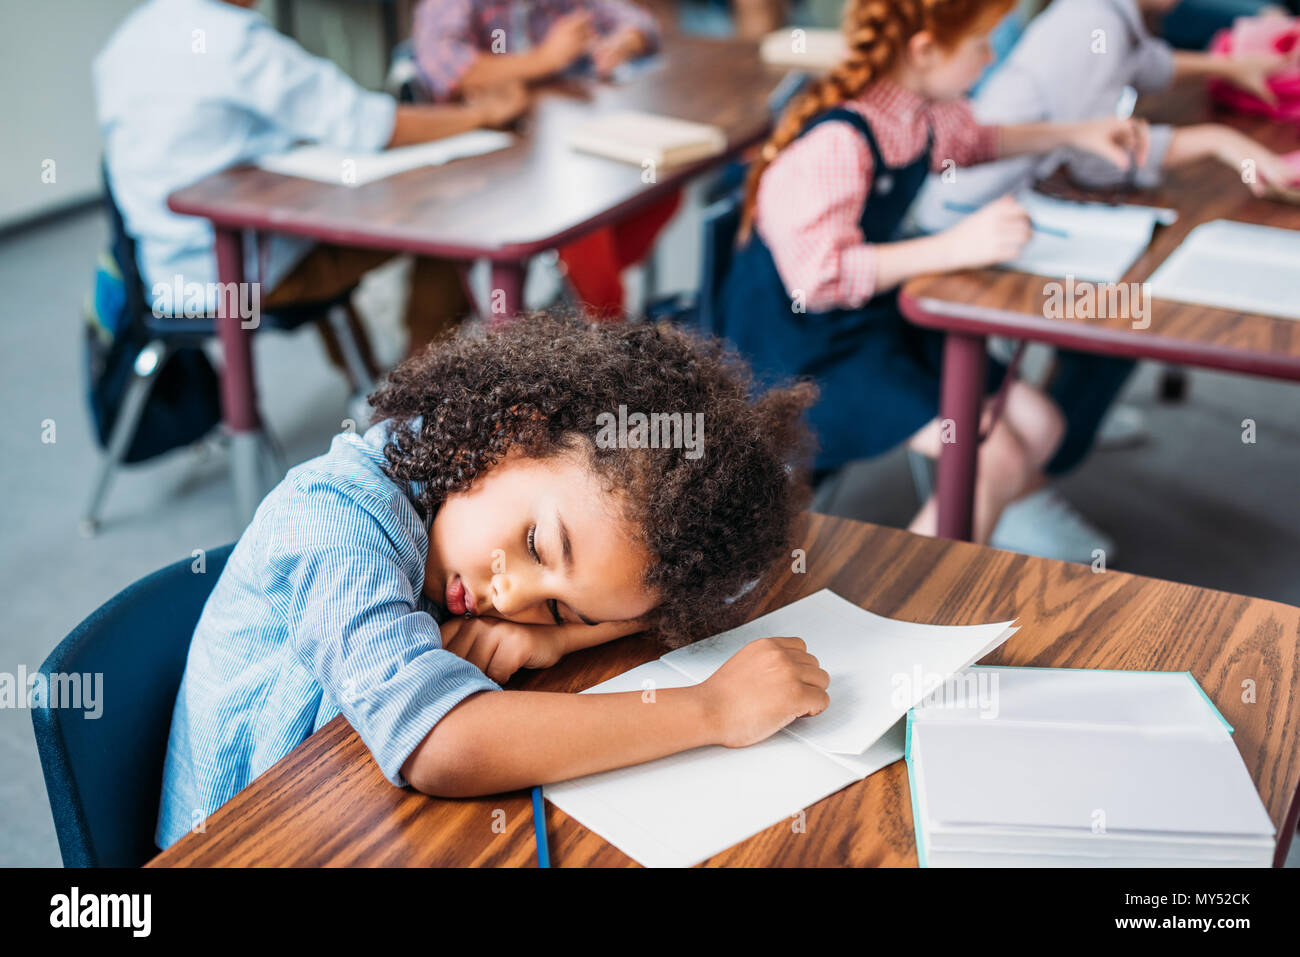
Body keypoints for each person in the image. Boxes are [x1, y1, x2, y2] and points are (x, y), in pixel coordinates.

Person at [155, 314, 829, 848]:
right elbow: (442, 744)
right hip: (246, 834)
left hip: (360, 811)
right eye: (537, 546)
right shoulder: (340, 524)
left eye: (558, 607)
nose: (510, 598)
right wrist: (712, 709)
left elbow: (725, 579)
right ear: (514, 432)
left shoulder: (490, 486)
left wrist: (563, 641)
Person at [719, 0, 1151, 548]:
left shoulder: (917, 112)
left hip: (868, 321)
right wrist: (954, 247)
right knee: (991, 458)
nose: (991, 56)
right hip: (800, 353)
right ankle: (915, 606)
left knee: (1042, 425)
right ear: (924, 51)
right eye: (979, 44)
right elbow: (818, 279)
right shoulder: (839, 143)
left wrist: (1076, 133)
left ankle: (986, 519)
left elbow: (979, 141)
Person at [94, 0, 528, 394]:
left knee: (306, 227)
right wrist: (483, 116)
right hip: (232, 278)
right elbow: (368, 126)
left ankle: (370, 384)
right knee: (448, 220)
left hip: (162, 275)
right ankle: (413, 396)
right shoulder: (235, 41)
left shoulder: (129, 38)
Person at [410, 0, 681, 318]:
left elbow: (636, 20)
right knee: (582, 224)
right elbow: (443, 66)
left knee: (663, 187)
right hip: (483, 164)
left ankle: (572, 307)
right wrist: (545, 59)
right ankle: (602, 324)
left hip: (564, 142)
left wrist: (621, 42)